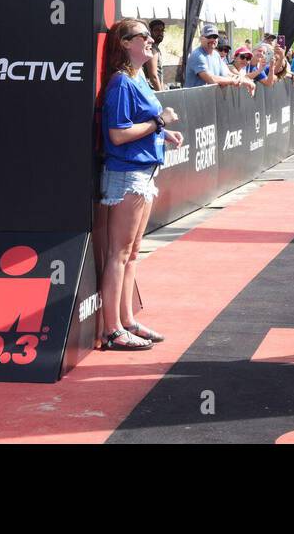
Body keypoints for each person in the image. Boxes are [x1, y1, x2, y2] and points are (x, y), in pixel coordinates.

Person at [98, 19, 184, 350]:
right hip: (127, 174)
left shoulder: (139, 79)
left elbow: (141, 126)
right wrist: (159, 123)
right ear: (124, 43)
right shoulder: (121, 83)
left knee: (132, 251)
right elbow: (118, 135)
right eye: (143, 36)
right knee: (119, 253)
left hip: (143, 172)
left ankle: (127, 320)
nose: (150, 40)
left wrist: (162, 132)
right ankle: (112, 328)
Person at [184, 22, 255, 93]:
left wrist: (245, 81)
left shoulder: (216, 55)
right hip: (193, 100)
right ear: (201, 38)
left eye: (215, 37)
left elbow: (228, 74)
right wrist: (233, 81)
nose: (212, 40)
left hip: (209, 100)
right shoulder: (197, 55)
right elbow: (211, 79)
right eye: (209, 37)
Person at [141, 19, 169, 91]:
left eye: (162, 30)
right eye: (157, 30)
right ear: (150, 32)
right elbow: (153, 76)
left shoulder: (156, 48)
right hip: (152, 91)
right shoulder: (152, 49)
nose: (160, 33)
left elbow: (159, 75)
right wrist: (161, 94)